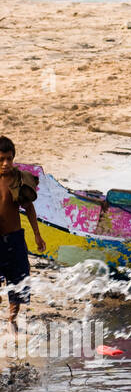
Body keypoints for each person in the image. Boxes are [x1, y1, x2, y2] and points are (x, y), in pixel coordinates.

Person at [0, 137, 43, 339]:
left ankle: (12, 321)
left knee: (18, 280)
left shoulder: (19, 180)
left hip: (15, 238)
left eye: (9, 159)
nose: (6, 164)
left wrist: (37, 235)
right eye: (1, 159)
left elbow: (29, 208)